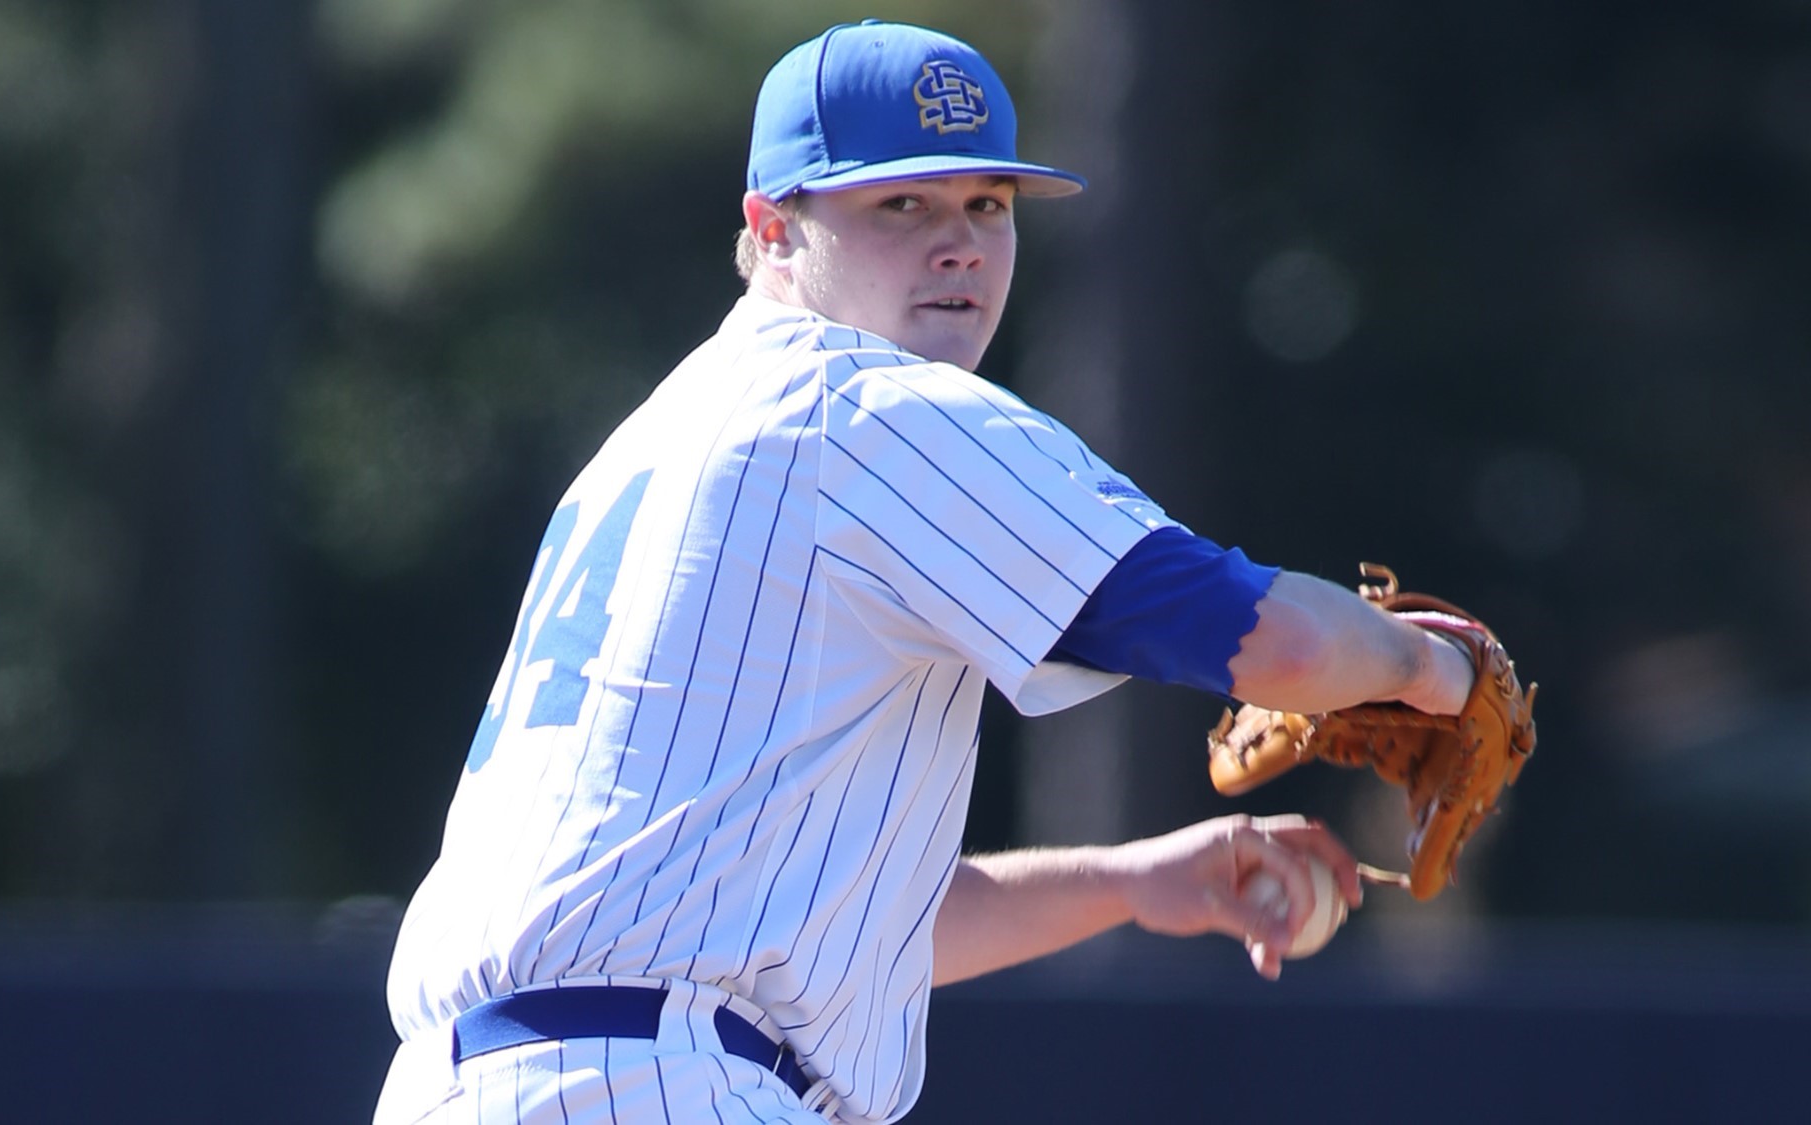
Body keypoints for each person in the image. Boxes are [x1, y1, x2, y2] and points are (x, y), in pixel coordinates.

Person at [372, 20, 1477, 1125]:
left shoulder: (654, 443)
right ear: (773, 229)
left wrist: (1127, 881)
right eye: (901, 203)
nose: (959, 245)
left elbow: (813, 919)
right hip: (648, 1086)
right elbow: (1278, 641)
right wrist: (1437, 670)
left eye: (987, 205)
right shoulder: (860, 405)